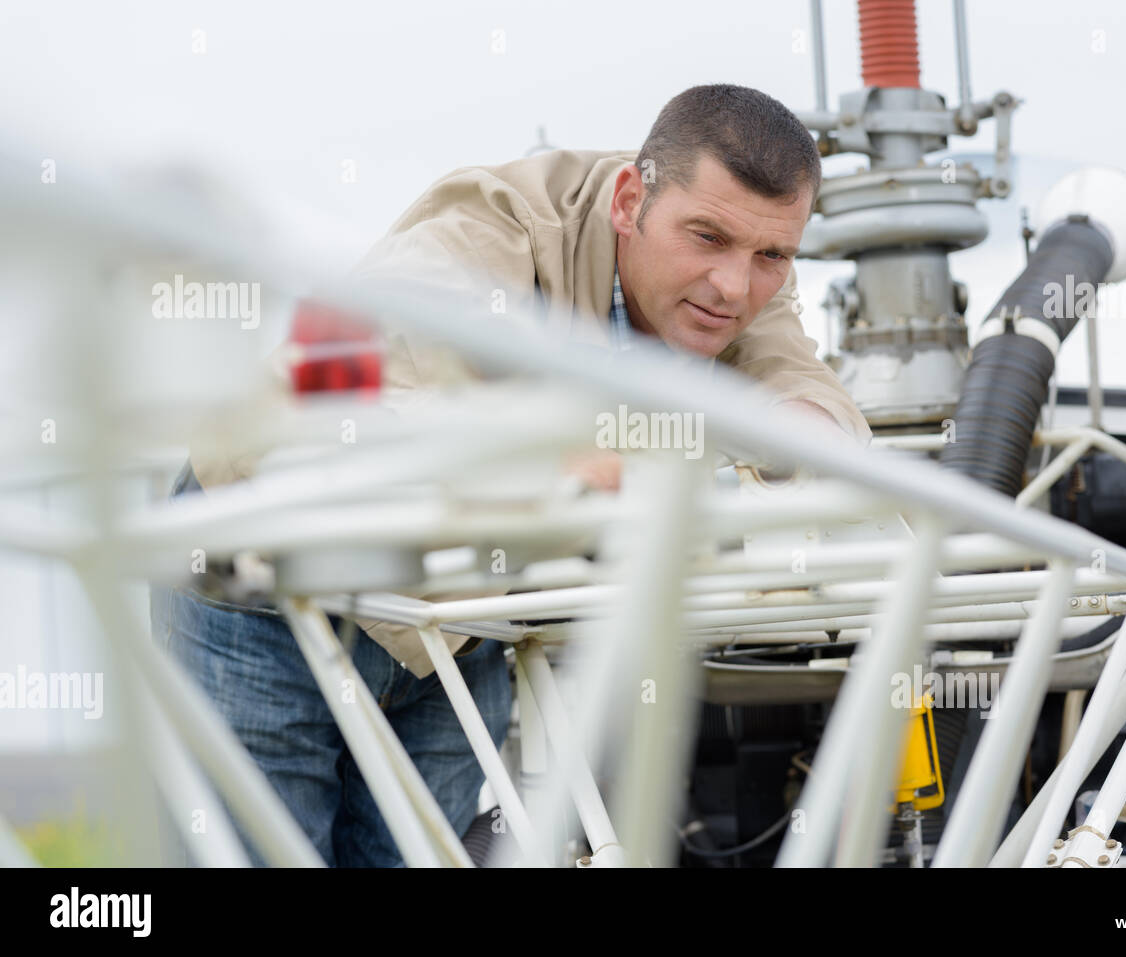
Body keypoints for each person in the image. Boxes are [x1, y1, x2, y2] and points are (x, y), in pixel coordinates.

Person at [151, 82, 872, 866]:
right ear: (629, 200)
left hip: (452, 621)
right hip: (270, 581)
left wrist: (811, 448)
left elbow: (805, 397)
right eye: (706, 238)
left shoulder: (739, 267)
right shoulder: (485, 226)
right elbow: (370, 397)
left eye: (773, 256)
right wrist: (572, 461)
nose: (735, 286)